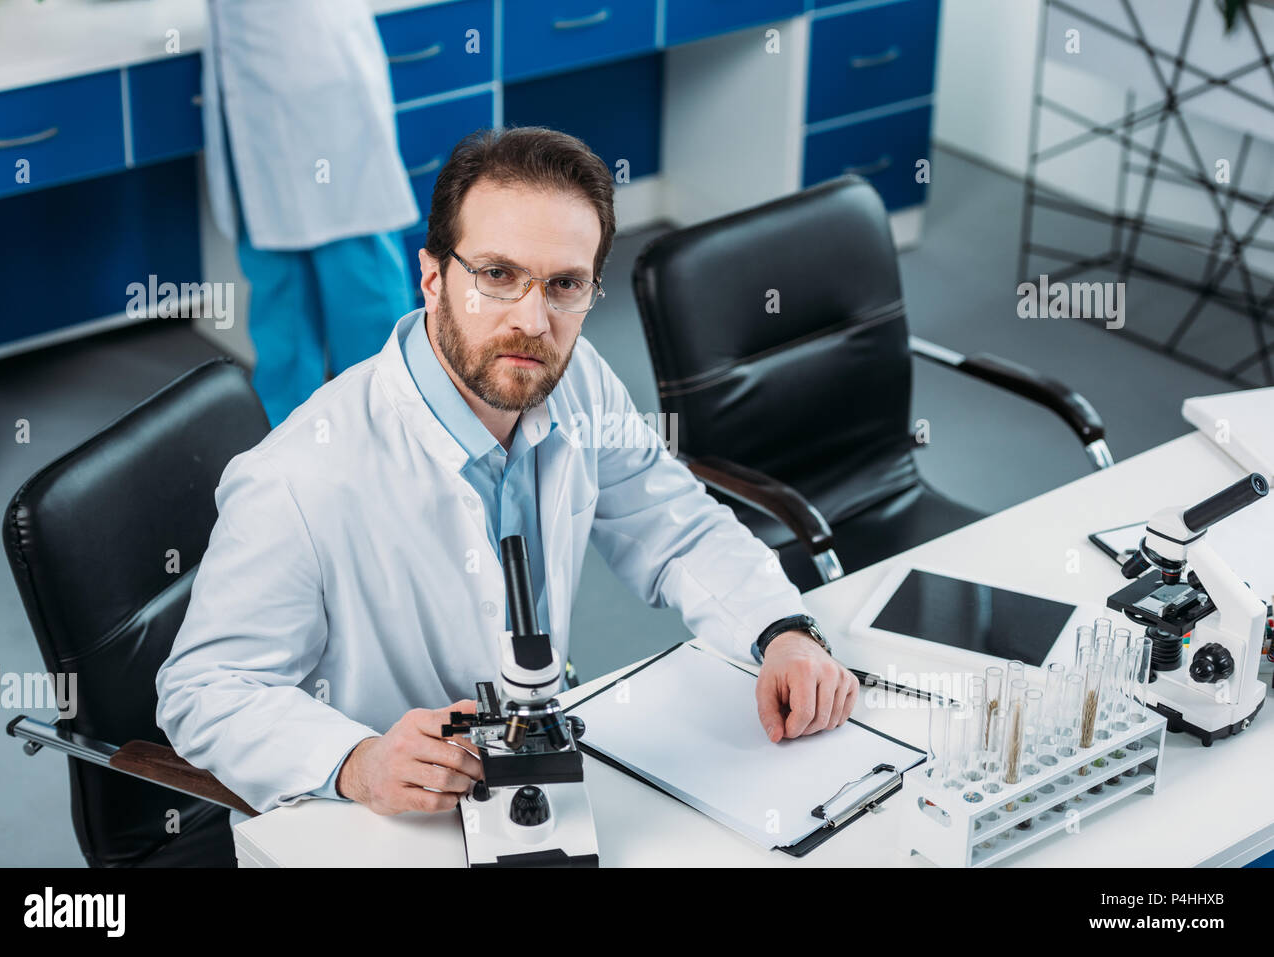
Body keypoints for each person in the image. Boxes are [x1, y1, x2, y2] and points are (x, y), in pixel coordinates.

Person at [156, 126, 859, 818]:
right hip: (379, 822)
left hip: (528, 778)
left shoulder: (578, 379)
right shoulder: (298, 478)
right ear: (432, 277)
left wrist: (782, 628)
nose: (532, 318)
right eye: (497, 275)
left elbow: (672, 526)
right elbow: (205, 690)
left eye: (565, 285)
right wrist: (357, 761)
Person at [201, 0, 418, 426]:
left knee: (364, 300)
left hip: (320, 83)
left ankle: (400, 441)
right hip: (254, 87)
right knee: (280, 297)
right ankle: (283, 455)